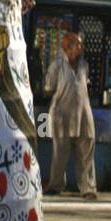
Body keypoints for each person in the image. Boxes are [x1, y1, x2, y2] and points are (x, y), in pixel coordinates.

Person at [44, 31, 97, 200]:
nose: (81, 47)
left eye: (81, 44)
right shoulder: (57, 66)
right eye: (77, 44)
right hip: (62, 115)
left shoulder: (84, 66)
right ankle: (55, 185)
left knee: (86, 151)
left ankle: (88, 188)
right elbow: (48, 89)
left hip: (83, 114)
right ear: (67, 47)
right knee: (60, 152)